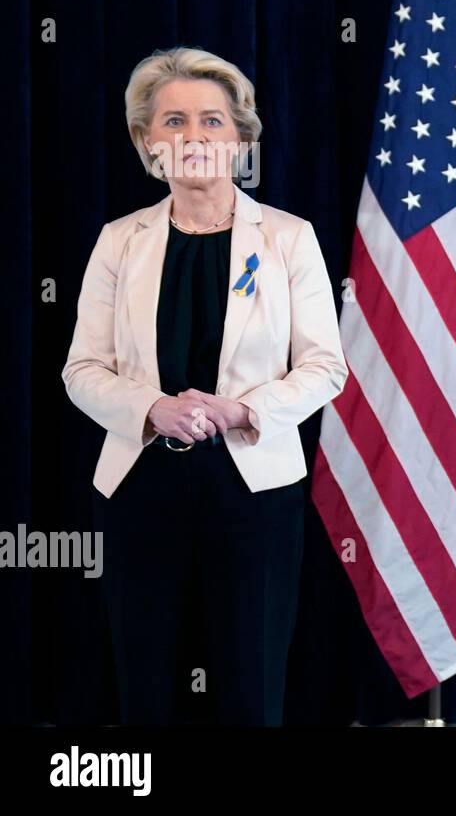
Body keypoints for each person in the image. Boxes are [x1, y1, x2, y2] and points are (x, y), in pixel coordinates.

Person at [62, 46, 348, 725]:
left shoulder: (288, 239)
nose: (195, 137)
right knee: (146, 691)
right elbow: (82, 370)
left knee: (251, 690)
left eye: (213, 121)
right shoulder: (117, 241)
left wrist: (241, 409)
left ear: (241, 138)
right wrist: (154, 408)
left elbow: (324, 367)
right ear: (148, 142)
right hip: (139, 487)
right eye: (175, 121)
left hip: (252, 487)